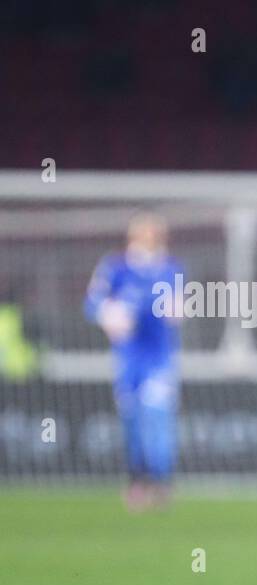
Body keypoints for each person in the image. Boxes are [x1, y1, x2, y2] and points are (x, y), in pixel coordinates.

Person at [84, 213, 183, 510]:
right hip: (128, 359)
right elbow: (92, 302)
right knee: (132, 421)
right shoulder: (115, 268)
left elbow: (177, 307)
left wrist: (176, 309)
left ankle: (161, 483)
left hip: (159, 359)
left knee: (158, 418)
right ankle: (137, 482)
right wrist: (110, 315)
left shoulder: (170, 269)